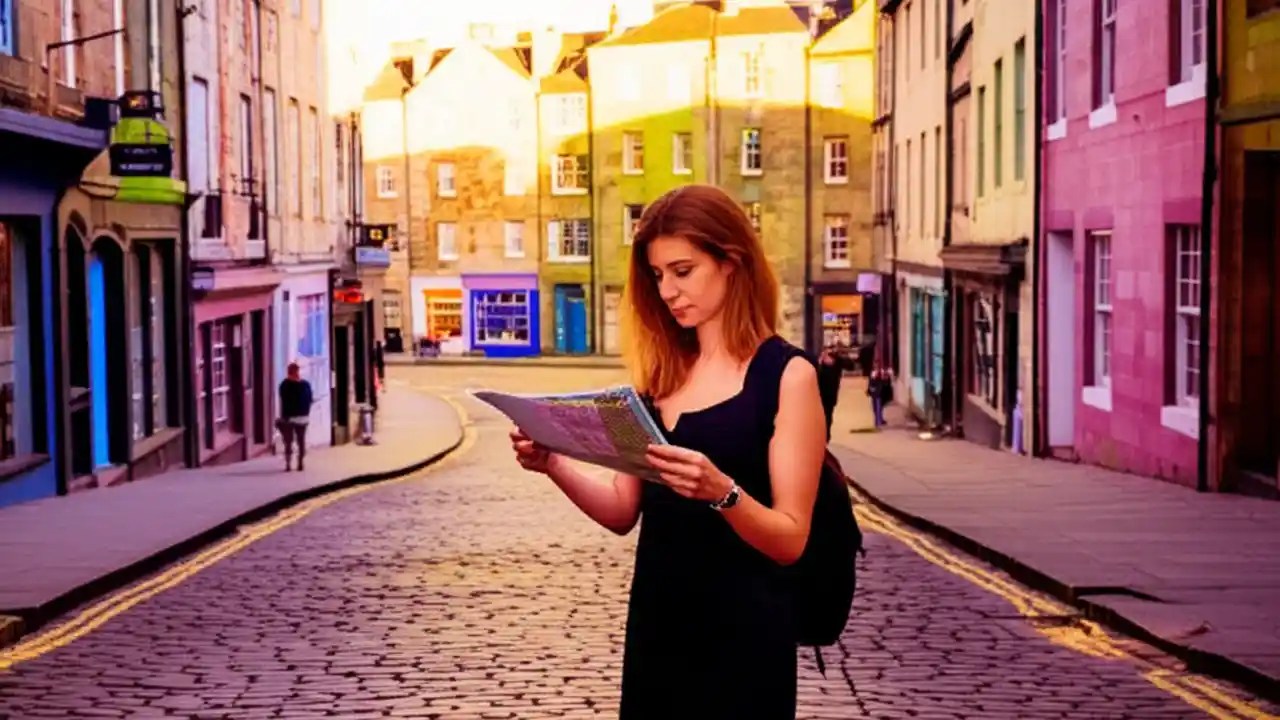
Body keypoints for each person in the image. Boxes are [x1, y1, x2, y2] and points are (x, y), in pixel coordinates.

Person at [508, 184, 827, 719]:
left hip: (745, 636)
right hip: (659, 625)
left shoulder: (788, 377)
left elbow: (790, 539)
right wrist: (554, 464)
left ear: (731, 263)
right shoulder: (657, 380)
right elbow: (622, 512)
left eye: (683, 271)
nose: (668, 291)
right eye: (657, 276)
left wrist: (722, 493)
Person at [277, 362, 314, 471]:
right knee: (294, 441)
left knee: (295, 441)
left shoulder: (289, 385)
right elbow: (308, 399)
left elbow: (307, 399)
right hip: (294, 418)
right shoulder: (299, 385)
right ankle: (293, 463)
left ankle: (296, 463)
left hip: (296, 418)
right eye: (295, 372)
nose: (297, 374)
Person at [866, 361, 894, 429]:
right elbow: (870, 382)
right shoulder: (874, 373)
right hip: (876, 391)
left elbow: (887, 381)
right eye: (875, 365)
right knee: (876, 406)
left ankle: (878, 421)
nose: (876, 366)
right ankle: (878, 420)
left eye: (877, 365)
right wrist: (870, 388)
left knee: (878, 406)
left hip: (880, 392)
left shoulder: (883, 372)